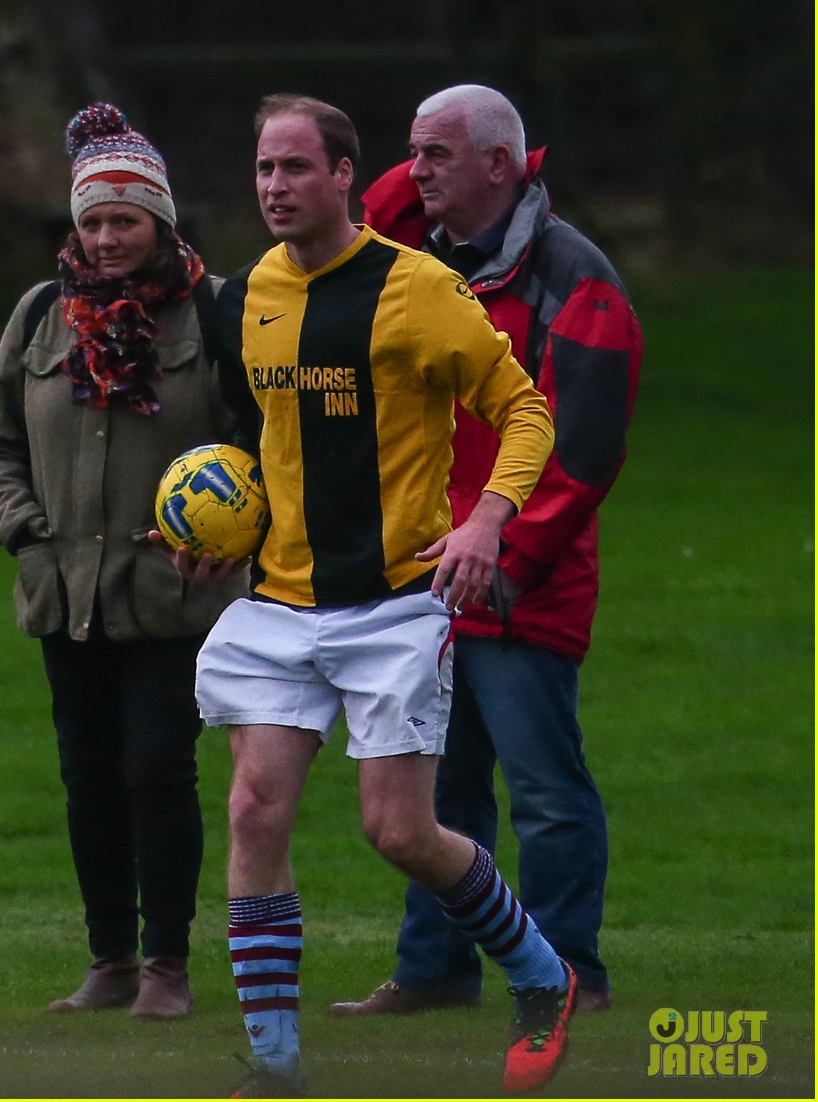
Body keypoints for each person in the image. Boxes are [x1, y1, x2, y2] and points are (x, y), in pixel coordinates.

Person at [172, 93, 576, 1097]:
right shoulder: (252, 295)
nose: (274, 187)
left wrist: (486, 519)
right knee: (253, 809)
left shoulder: (419, 288)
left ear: (345, 175)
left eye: (295, 168)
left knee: (398, 831)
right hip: (280, 602)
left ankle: (541, 972)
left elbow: (524, 410)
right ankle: (274, 1062)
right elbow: (268, 446)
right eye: (263, 169)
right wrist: (218, 533)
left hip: (393, 604)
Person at [329, 84, 644, 1021]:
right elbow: (364, 211)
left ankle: (568, 970)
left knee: (544, 790)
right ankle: (434, 970)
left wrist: (505, 558)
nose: (414, 172)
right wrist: (433, 156)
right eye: (412, 152)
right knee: (437, 789)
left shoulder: (577, 279)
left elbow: (582, 451)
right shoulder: (416, 252)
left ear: (500, 166)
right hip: (424, 572)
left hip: (518, 581)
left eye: (436, 154)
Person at [0, 103, 246, 1020]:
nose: (108, 237)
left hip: (175, 597)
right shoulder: (40, 315)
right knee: (88, 781)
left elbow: (266, 448)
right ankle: (110, 961)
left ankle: (166, 966)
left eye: (126, 219)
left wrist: (234, 538)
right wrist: (25, 532)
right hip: (63, 595)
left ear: (161, 221)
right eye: (93, 220)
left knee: (157, 773)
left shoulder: (219, 312)